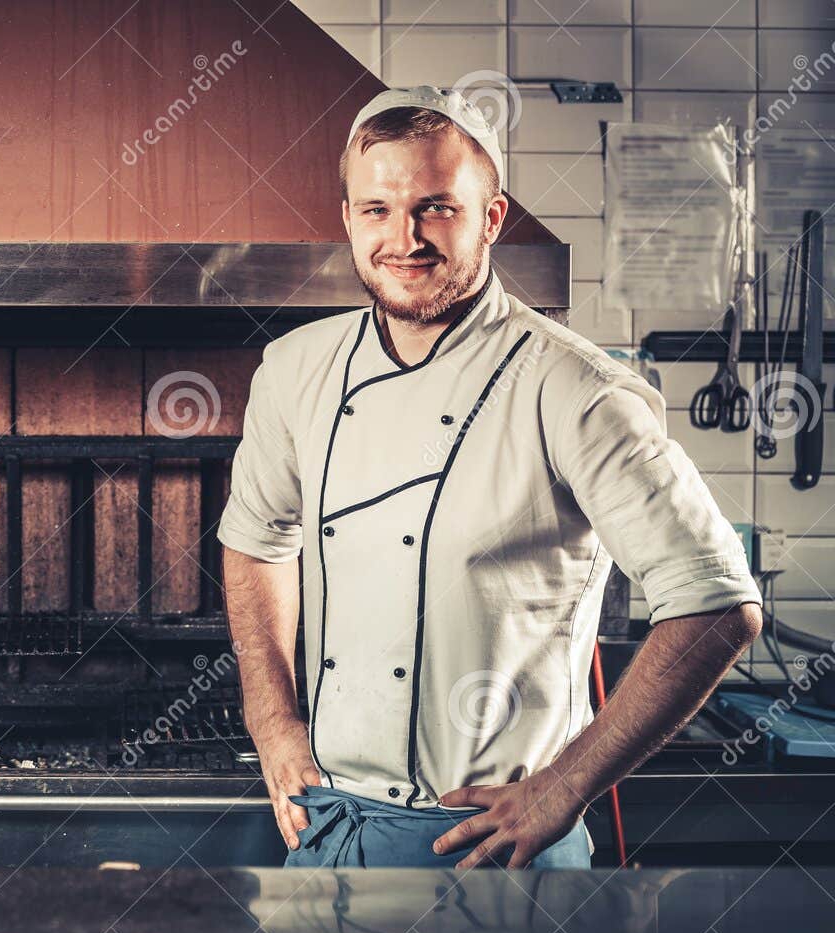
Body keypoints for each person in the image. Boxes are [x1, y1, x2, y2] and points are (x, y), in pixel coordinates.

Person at [218, 86, 762, 870]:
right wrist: (272, 724)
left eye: (435, 208)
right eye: (376, 210)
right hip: (326, 835)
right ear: (347, 219)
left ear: (492, 217)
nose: (403, 238)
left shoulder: (573, 387)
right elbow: (257, 540)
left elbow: (716, 603)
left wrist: (563, 787)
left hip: (495, 850)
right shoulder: (295, 370)